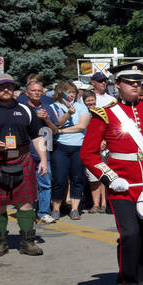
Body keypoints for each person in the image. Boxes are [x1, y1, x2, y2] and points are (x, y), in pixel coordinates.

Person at [79, 63, 143, 285]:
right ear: (117, 85)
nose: (136, 86)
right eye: (130, 82)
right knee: (129, 234)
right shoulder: (105, 113)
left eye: (139, 82)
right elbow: (88, 154)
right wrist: (109, 177)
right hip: (122, 185)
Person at [0, 73, 52, 256]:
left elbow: (37, 136)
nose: (6, 90)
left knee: (26, 203)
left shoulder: (25, 110)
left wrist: (43, 159)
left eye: (9, 86)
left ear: (14, 89)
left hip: (22, 158)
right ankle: (0, 243)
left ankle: (27, 242)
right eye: (1, 86)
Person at [16, 75, 57, 223]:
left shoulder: (48, 108)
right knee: (24, 185)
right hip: (24, 153)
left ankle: (43, 212)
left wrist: (46, 119)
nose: (37, 93)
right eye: (33, 90)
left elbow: (55, 130)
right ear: (27, 93)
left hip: (43, 153)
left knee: (45, 184)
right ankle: (27, 211)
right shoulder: (20, 109)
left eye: (39, 90)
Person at [51, 82, 89, 220]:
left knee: (77, 178)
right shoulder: (53, 107)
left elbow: (82, 126)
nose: (71, 94)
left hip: (78, 146)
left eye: (73, 92)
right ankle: (56, 208)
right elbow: (55, 124)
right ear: (61, 92)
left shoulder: (81, 107)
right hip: (60, 147)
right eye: (68, 91)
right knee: (59, 179)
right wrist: (68, 113)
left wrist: (60, 131)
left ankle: (74, 209)